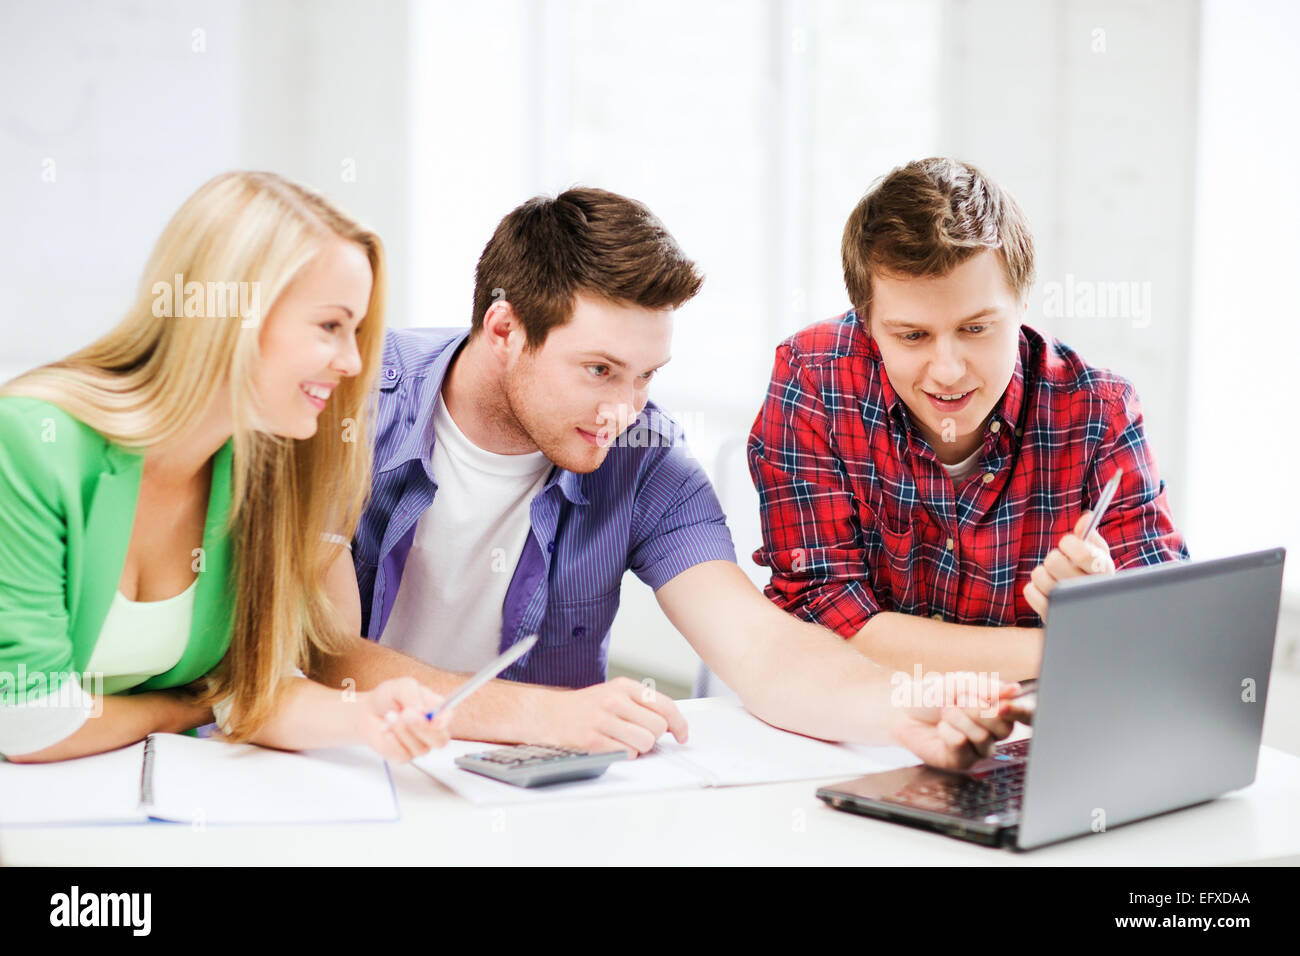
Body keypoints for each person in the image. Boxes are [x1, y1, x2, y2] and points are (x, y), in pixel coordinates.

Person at [311, 187, 1015, 770]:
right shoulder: (350, 406)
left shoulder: (645, 458)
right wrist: (542, 713)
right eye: (600, 370)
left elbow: (762, 649)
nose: (625, 408)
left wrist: (906, 710)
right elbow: (323, 654)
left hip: (512, 804)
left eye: (647, 375)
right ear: (504, 331)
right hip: (332, 770)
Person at [0, 171, 452, 764]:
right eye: (330, 326)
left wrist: (364, 714)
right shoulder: (32, 442)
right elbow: (27, 723)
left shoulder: (265, 466)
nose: (351, 361)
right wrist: (179, 709)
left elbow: (253, 691)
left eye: (358, 331)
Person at [747, 157, 1189, 681]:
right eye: (912, 336)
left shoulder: (1098, 411)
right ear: (866, 323)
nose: (948, 371)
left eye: (976, 329)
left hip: (1027, 734)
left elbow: (1165, 634)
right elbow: (820, 613)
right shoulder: (814, 377)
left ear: (1023, 301)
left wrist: (1106, 611)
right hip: (860, 723)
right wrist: (1067, 647)